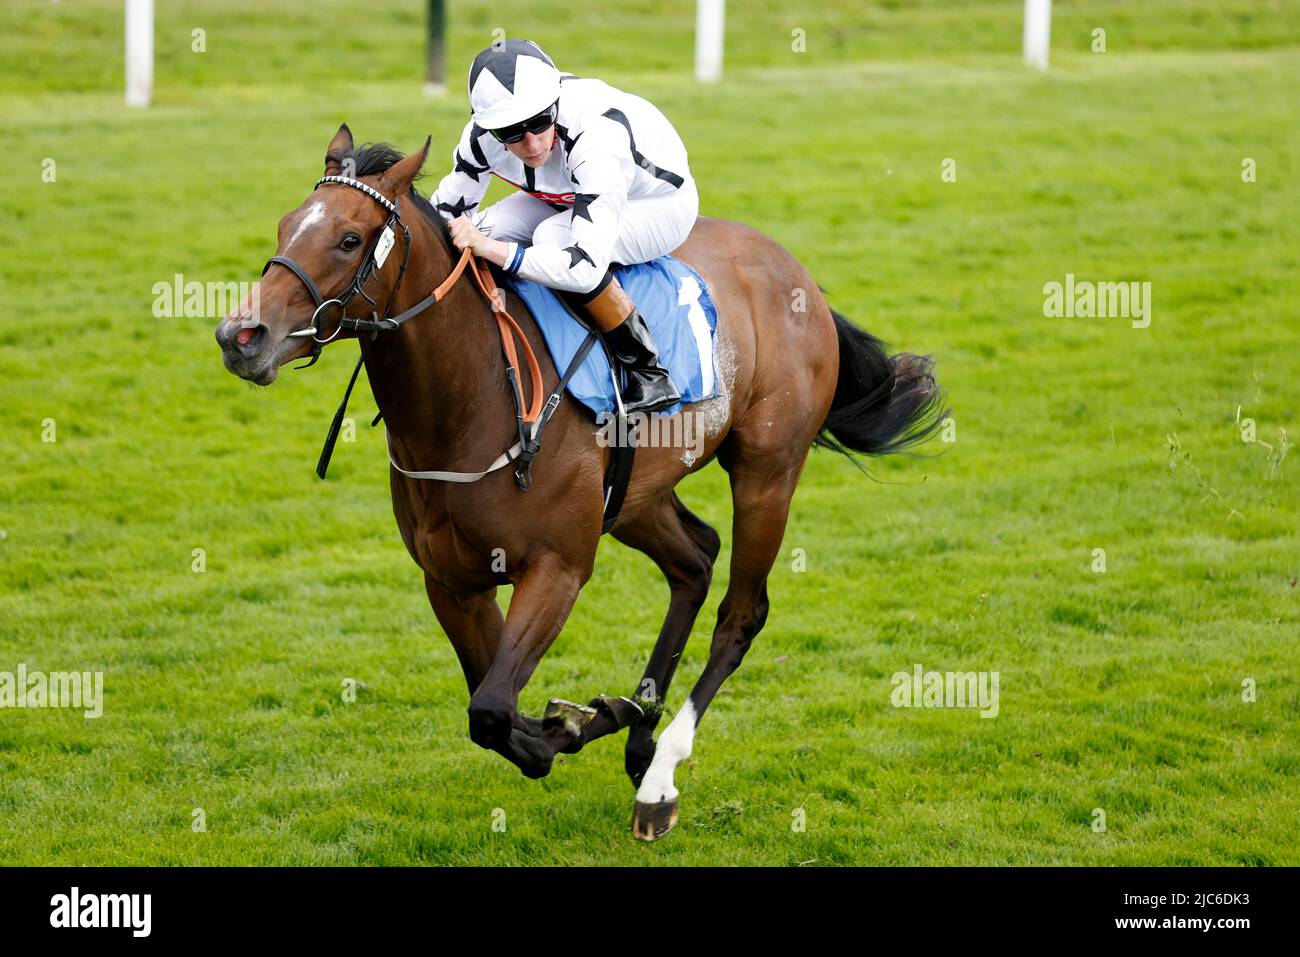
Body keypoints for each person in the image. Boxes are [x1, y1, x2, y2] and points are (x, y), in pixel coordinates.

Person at [431, 38, 699, 414]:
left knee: (549, 238)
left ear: (554, 104)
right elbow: (443, 213)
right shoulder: (481, 137)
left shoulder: (598, 140)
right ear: (490, 129)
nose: (531, 142)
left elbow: (585, 267)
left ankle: (647, 369)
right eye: (511, 133)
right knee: (487, 227)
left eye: (541, 122)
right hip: (569, 193)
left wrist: (492, 251)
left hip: (655, 203)